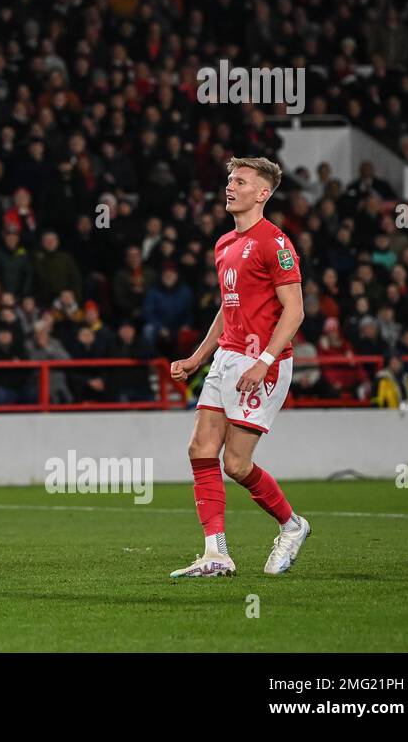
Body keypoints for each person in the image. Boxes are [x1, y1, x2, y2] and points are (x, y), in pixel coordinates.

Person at [169, 158, 310, 578]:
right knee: (199, 448)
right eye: (230, 179)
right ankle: (216, 554)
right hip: (227, 357)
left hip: (263, 363)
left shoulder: (275, 243)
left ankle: (291, 525)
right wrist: (198, 357)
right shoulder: (224, 244)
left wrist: (264, 360)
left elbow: (295, 310)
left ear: (262, 193)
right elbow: (229, 307)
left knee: (237, 464)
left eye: (241, 181)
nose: (230, 186)